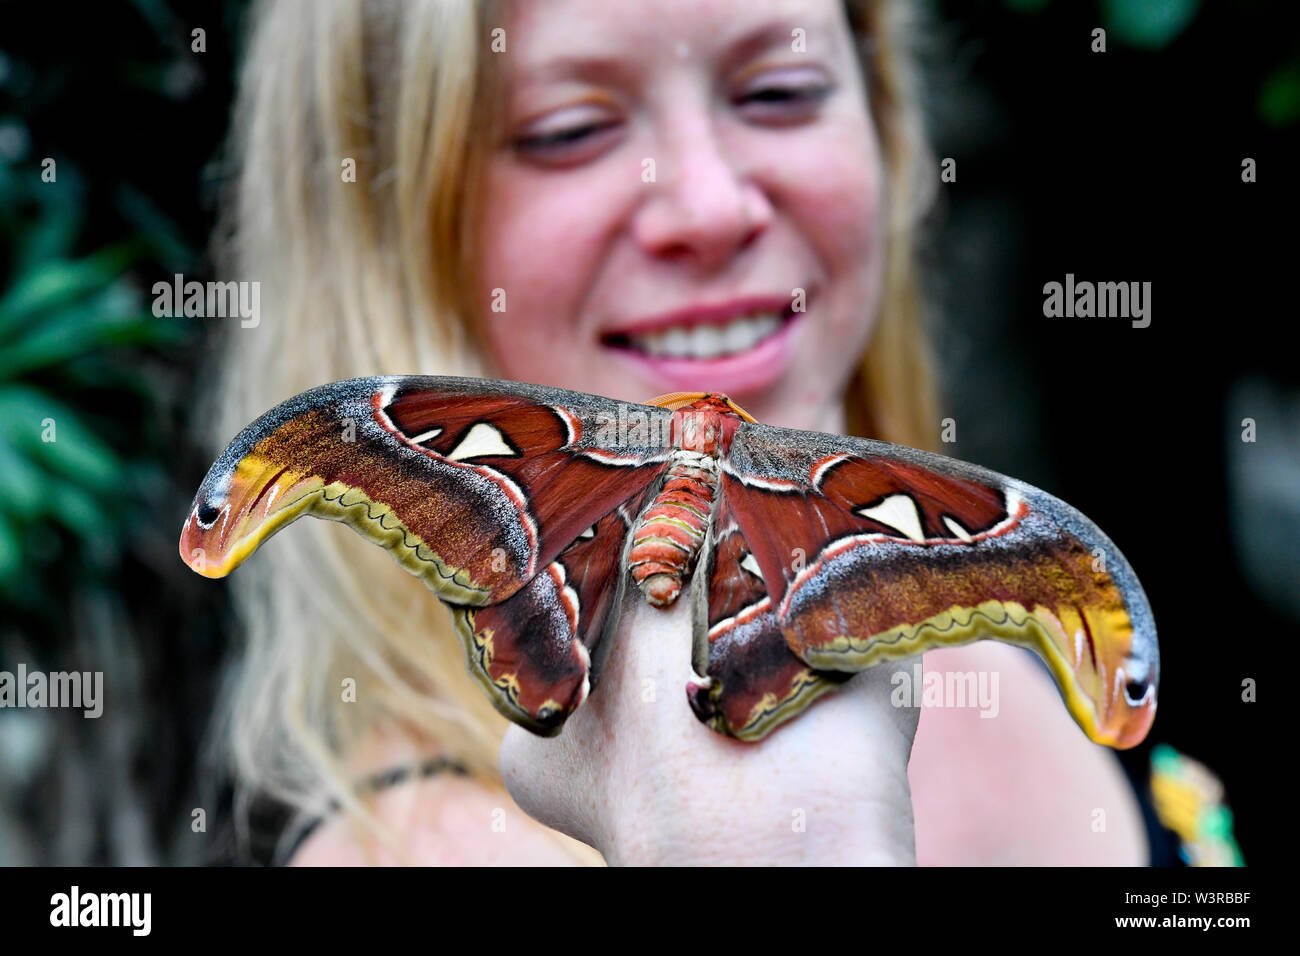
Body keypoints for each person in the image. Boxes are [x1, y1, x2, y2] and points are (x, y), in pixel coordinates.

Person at [206, 0, 1151, 865]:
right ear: (385, 232)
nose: (709, 206)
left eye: (780, 91)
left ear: (884, 126)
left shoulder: (989, 670)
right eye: (568, 130)